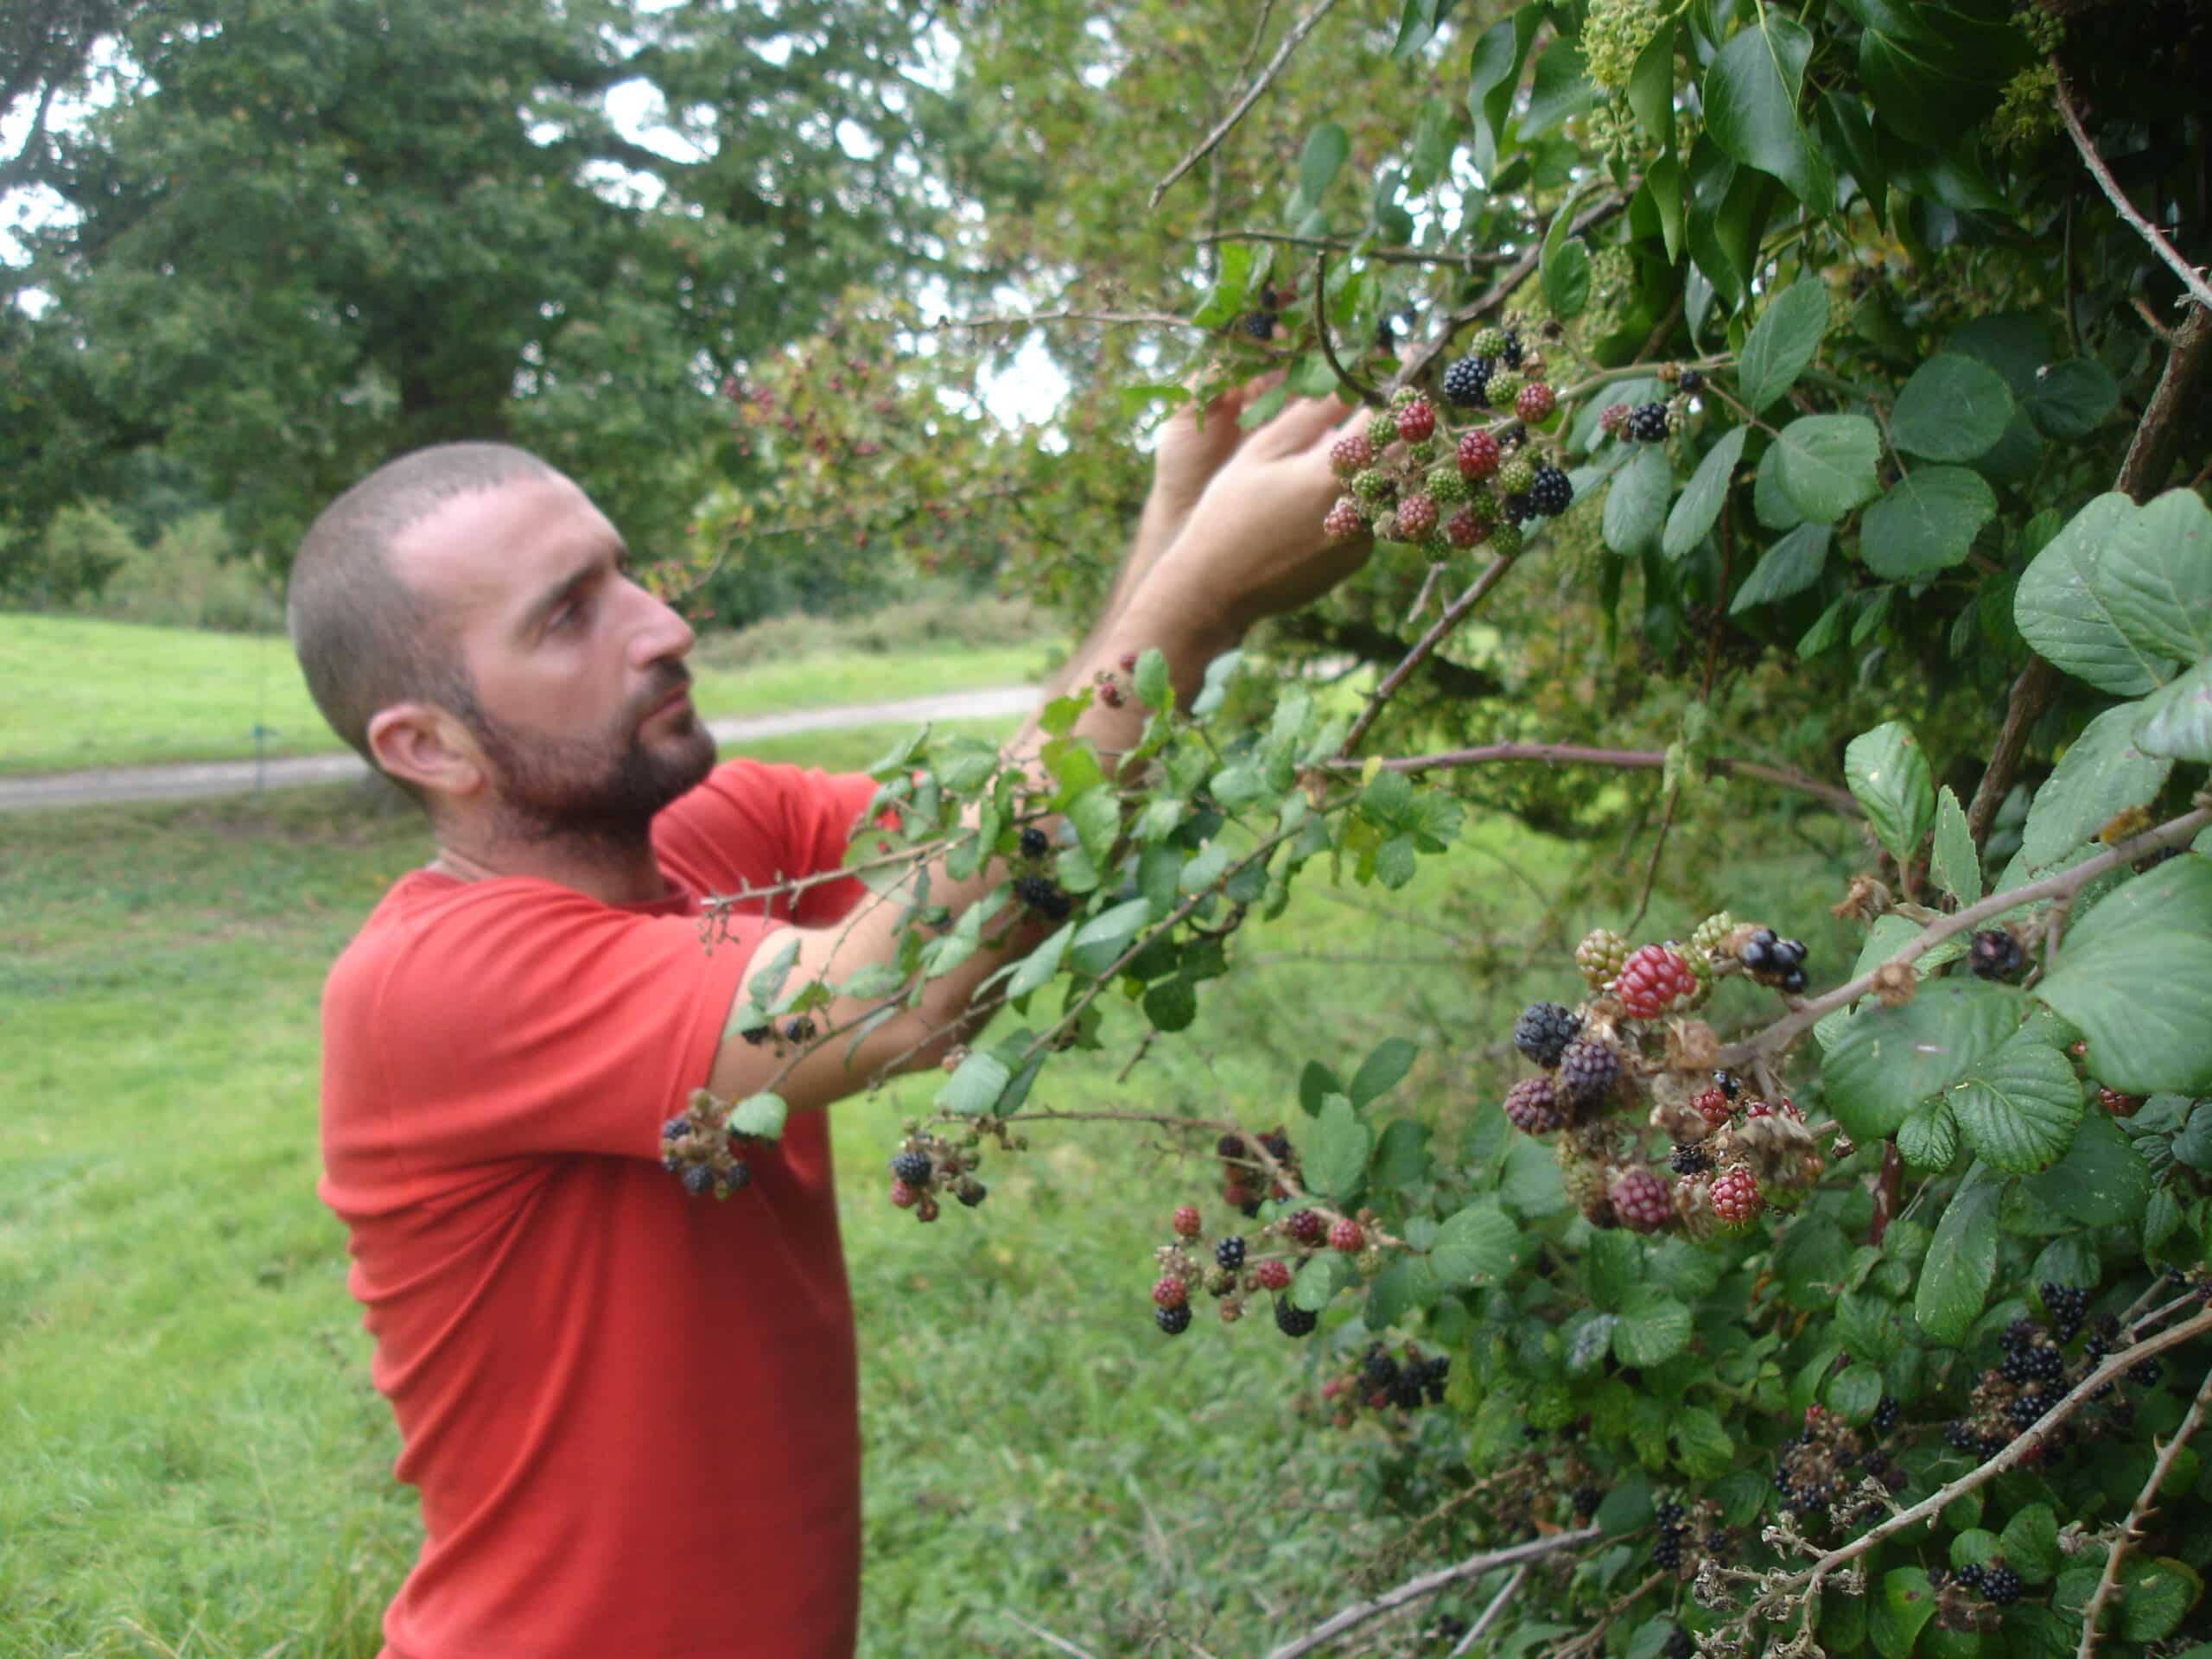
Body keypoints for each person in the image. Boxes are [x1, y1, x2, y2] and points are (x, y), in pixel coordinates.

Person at [288, 377, 1369, 1659]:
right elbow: (902, 990)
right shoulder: (435, 987)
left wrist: (1176, 518)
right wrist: (1201, 600)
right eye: (570, 616)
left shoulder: (718, 834)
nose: (662, 624)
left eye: (623, 572)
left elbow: (1024, 817)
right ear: (429, 749)